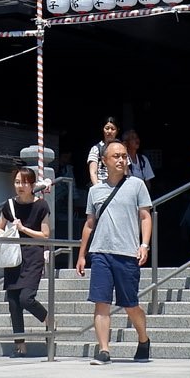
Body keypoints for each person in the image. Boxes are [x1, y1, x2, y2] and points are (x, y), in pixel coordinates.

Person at [75, 141, 153, 364]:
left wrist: (144, 245)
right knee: (101, 303)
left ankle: (143, 339)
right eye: (116, 156)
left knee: (130, 305)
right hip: (100, 252)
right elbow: (89, 224)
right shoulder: (95, 191)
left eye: (123, 156)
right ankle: (104, 350)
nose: (121, 160)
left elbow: (145, 216)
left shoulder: (137, 185)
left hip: (127, 252)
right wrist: (82, 255)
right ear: (104, 161)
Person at [0, 167, 52, 356]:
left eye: (25, 182)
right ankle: (20, 345)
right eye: (17, 182)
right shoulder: (9, 205)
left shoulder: (41, 206)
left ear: (33, 185)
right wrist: (4, 233)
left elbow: (45, 235)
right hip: (14, 256)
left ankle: (48, 320)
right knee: (13, 302)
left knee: (25, 298)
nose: (20, 186)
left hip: (33, 255)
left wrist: (23, 229)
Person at [86, 116, 122, 186]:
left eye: (113, 129)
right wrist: (97, 189)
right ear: (103, 129)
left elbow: (126, 171)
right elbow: (93, 173)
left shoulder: (121, 148)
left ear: (117, 131)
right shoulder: (96, 148)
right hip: (101, 185)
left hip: (118, 187)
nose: (109, 131)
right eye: (107, 128)